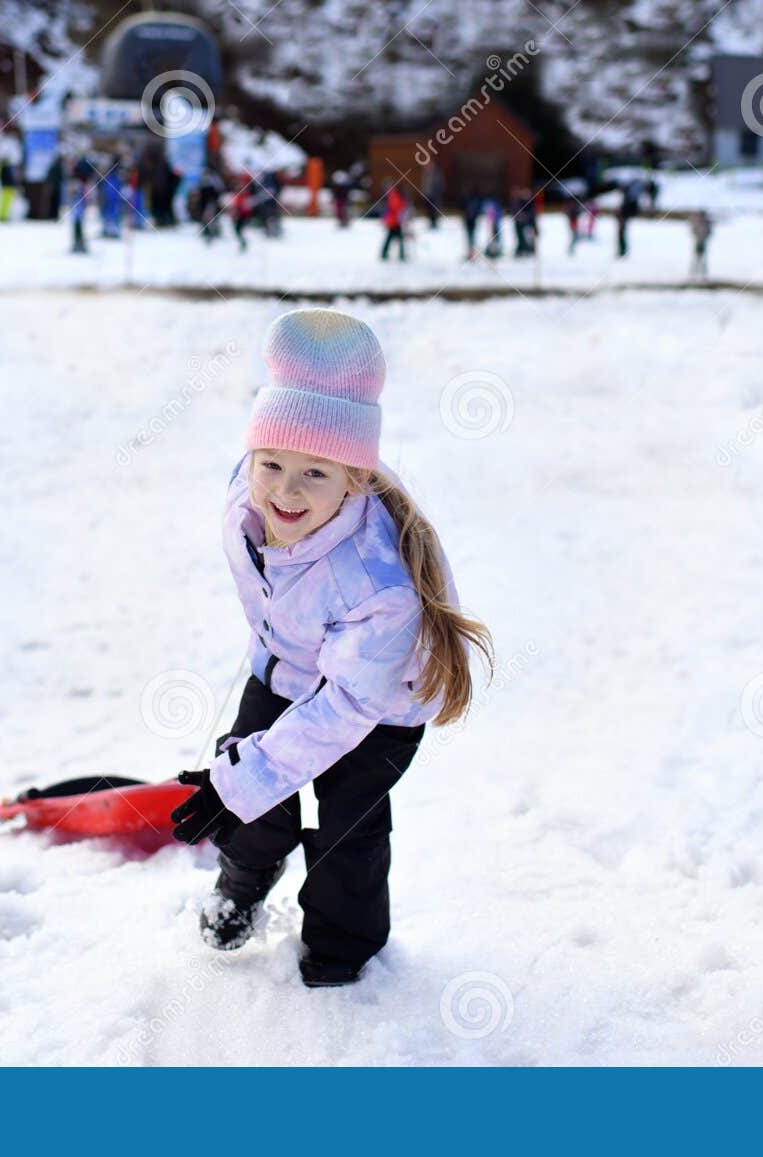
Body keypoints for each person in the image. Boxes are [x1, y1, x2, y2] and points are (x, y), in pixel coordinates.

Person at [169, 307, 493, 988]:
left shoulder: (377, 584)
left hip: (379, 704)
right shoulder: (245, 497)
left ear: (355, 480)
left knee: (348, 820)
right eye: (272, 462)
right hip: (290, 663)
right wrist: (244, 777)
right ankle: (241, 882)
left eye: (316, 473)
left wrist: (246, 776)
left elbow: (345, 707)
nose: (285, 488)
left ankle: (343, 940)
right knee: (251, 778)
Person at [378, 181, 406, 261]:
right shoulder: (393, 195)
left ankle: (386, 253)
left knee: (391, 238)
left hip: (393, 220)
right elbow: (396, 207)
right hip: (394, 220)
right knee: (397, 238)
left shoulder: (391, 195)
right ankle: (401, 254)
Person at [689, 211, 712, 278]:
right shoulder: (697, 223)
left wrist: (704, 237)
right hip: (698, 242)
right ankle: (693, 274)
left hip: (703, 242)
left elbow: (709, 232)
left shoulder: (706, 223)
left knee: (703, 259)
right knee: (695, 258)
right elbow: (693, 231)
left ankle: (703, 274)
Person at [461, 189, 481, 260]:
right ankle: (471, 253)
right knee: (471, 238)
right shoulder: (474, 201)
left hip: (471, 222)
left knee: (471, 238)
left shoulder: (471, 201)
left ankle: (472, 253)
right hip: (470, 222)